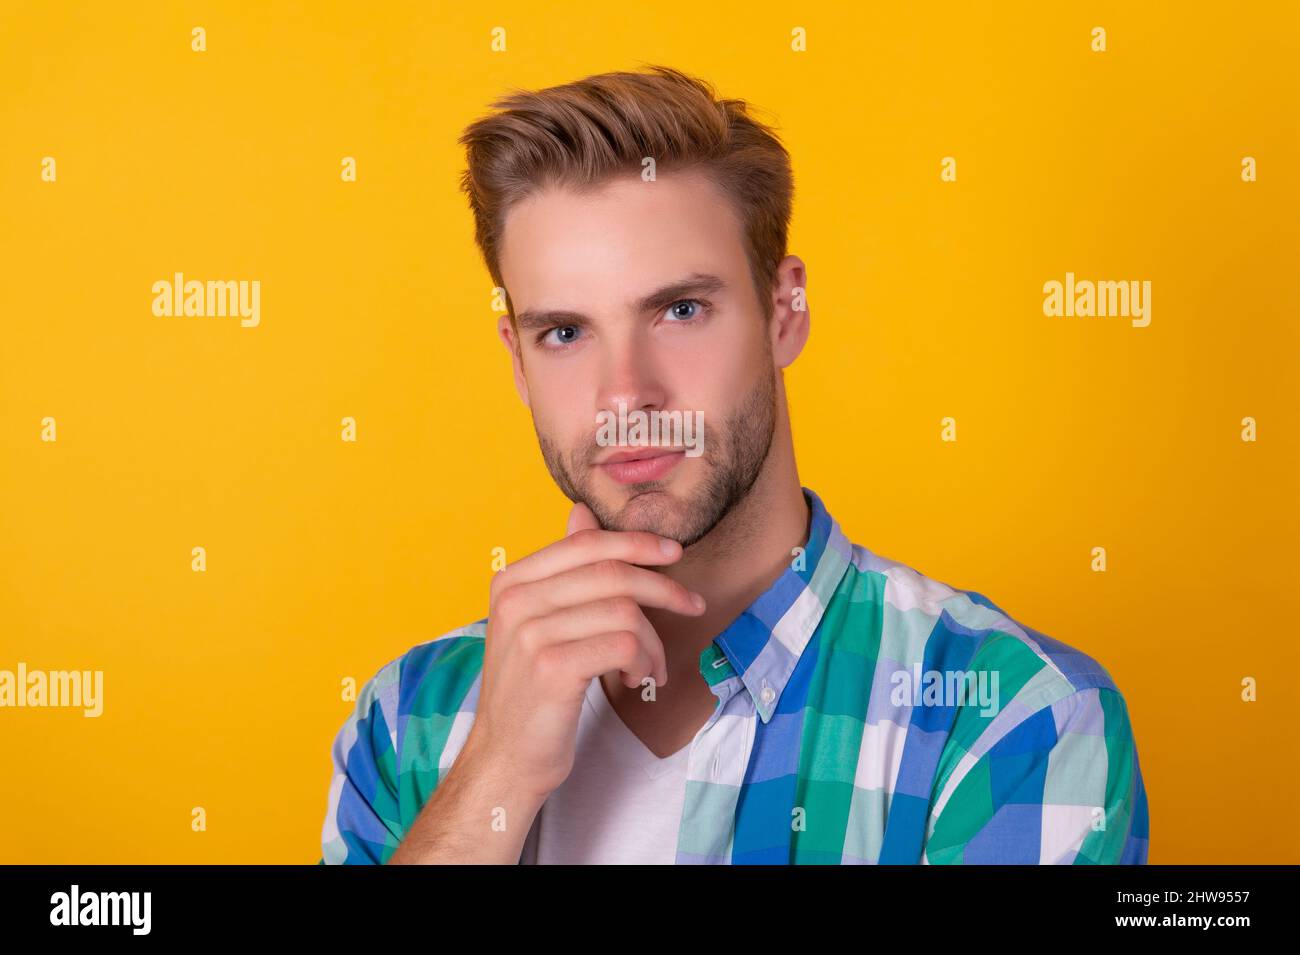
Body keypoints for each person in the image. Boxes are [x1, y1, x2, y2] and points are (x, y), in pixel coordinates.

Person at [320, 65, 1149, 865]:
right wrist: (494, 773)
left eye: (681, 310)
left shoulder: (1013, 717)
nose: (626, 396)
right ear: (517, 361)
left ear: (784, 312)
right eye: (565, 332)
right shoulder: (409, 722)